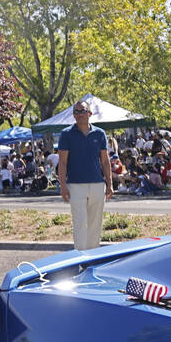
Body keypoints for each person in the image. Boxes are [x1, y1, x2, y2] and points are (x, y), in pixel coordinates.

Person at [57, 100, 113, 250]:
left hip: (97, 183)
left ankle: (92, 257)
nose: (79, 114)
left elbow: (105, 161)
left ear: (90, 113)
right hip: (75, 185)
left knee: (95, 223)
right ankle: (80, 257)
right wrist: (62, 186)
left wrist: (110, 184)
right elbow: (62, 163)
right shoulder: (66, 134)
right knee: (80, 222)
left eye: (83, 111)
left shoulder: (100, 133)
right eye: (76, 111)